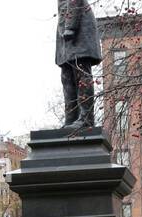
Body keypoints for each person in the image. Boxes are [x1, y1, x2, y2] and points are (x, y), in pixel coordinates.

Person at [56, 0, 102, 129]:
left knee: (81, 72)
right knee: (66, 76)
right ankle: (70, 118)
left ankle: (86, 118)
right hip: (66, 32)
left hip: (78, 30)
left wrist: (70, 27)